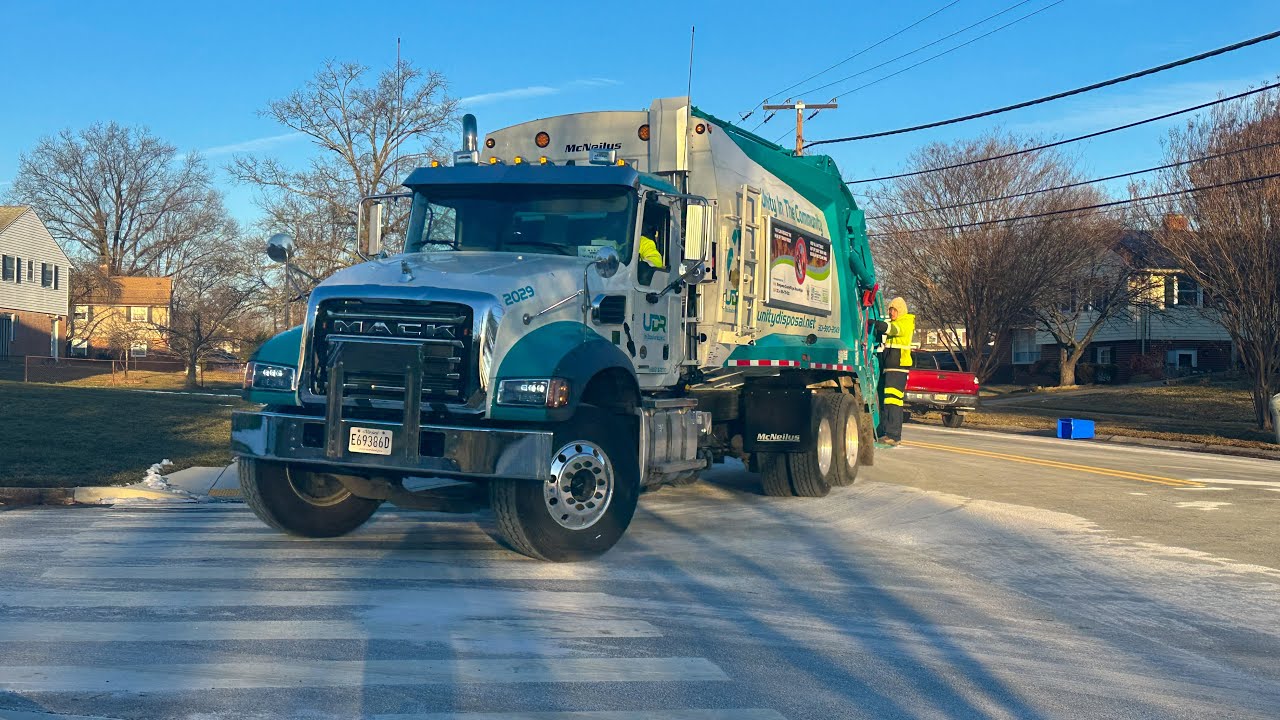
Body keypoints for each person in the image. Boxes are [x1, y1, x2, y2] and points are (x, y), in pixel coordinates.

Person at [875, 296, 915, 446]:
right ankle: (885, 432)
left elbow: (894, 330)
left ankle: (894, 435)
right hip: (890, 368)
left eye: (894, 310)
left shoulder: (906, 322)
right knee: (887, 401)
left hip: (899, 367)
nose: (891, 312)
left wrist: (879, 325)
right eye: (890, 310)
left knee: (894, 402)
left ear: (901, 310)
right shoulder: (894, 322)